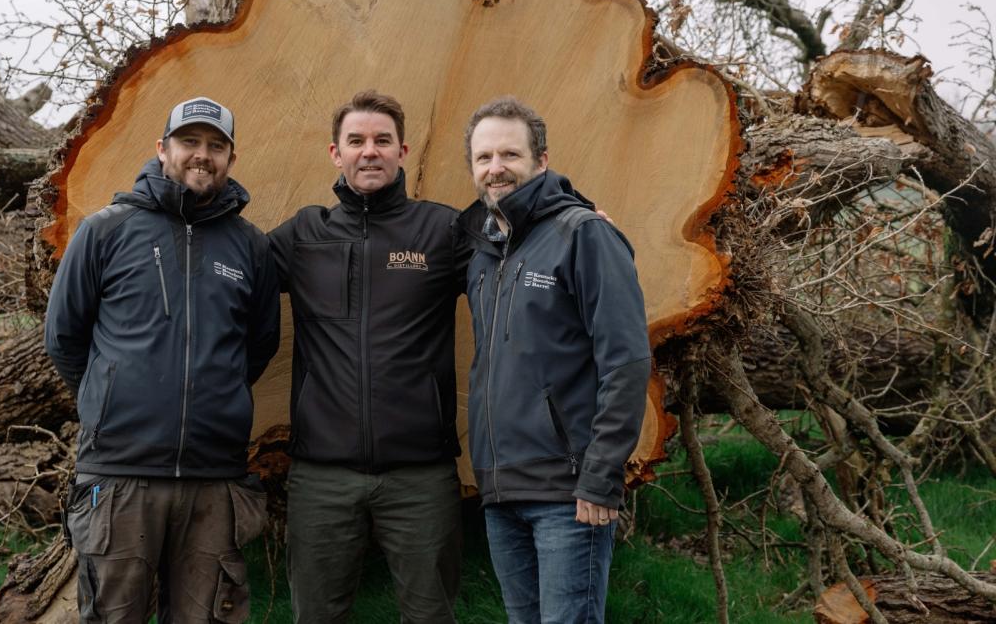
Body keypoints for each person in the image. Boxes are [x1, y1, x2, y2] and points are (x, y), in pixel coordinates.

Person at [44, 96, 280, 623]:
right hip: (120, 476)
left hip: (213, 478)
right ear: (162, 148)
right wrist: (111, 400)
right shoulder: (105, 231)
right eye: (189, 141)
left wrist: (215, 400)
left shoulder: (250, 247)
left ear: (231, 158)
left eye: (216, 145)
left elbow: (260, 343)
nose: (202, 155)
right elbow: (64, 337)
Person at [269, 90, 468, 623]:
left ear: (403, 150)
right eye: (356, 141)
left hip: (421, 475)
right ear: (336, 153)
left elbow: (519, 251)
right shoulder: (303, 235)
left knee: (430, 615)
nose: (369, 151)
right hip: (321, 475)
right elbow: (229, 265)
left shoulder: (443, 231)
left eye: (382, 140)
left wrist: (575, 216)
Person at [458, 96, 650, 624]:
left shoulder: (583, 234)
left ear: (541, 160)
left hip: (569, 494)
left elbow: (627, 362)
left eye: (510, 154)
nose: (495, 168)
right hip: (500, 489)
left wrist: (602, 475)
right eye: (483, 157)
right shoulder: (483, 252)